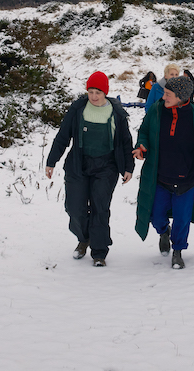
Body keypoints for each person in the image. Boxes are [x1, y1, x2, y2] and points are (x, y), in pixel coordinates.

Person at [132, 75, 194, 269]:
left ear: (181, 97)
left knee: (182, 219)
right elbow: (144, 131)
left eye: (168, 95)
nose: (163, 98)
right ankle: (164, 231)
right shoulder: (156, 111)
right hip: (160, 178)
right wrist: (142, 146)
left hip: (187, 180)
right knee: (156, 215)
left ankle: (178, 250)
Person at [46, 72, 135, 267]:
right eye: (91, 92)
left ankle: (99, 251)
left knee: (99, 208)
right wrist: (51, 161)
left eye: (98, 92)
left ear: (105, 92)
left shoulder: (116, 113)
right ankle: (84, 238)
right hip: (78, 164)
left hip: (106, 167)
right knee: (74, 208)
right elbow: (63, 136)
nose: (94, 96)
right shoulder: (78, 108)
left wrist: (128, 167)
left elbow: (125, 141)